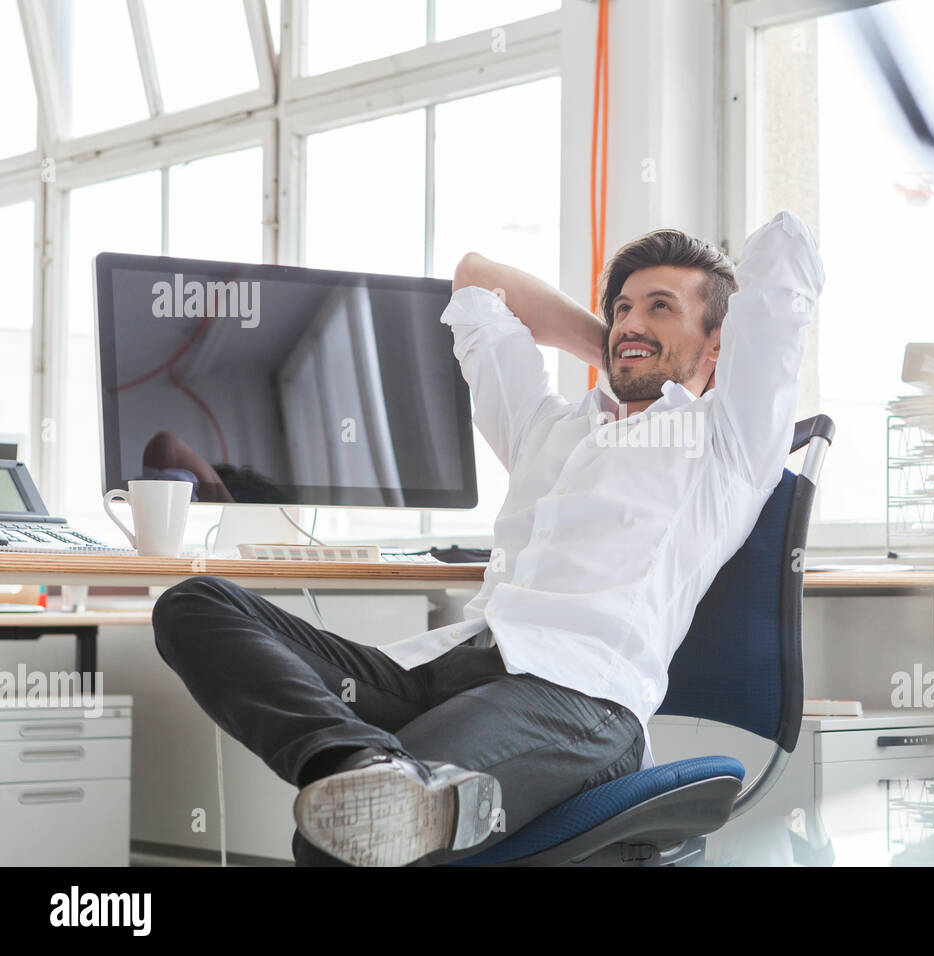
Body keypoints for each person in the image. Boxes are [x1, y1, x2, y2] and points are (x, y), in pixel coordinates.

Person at [150, 210, 826, 866]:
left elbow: (785, 253)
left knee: (337, 844)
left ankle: (398, 791)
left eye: (659, 307)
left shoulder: (727, 444)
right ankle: (357, 761)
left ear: (718, 345)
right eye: (622, 308)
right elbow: (477, 280)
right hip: (445, 669)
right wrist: (616, 349)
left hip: (576, 700)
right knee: (195, 605)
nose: (631, 322)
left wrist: (673, 356)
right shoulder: (548, 428)